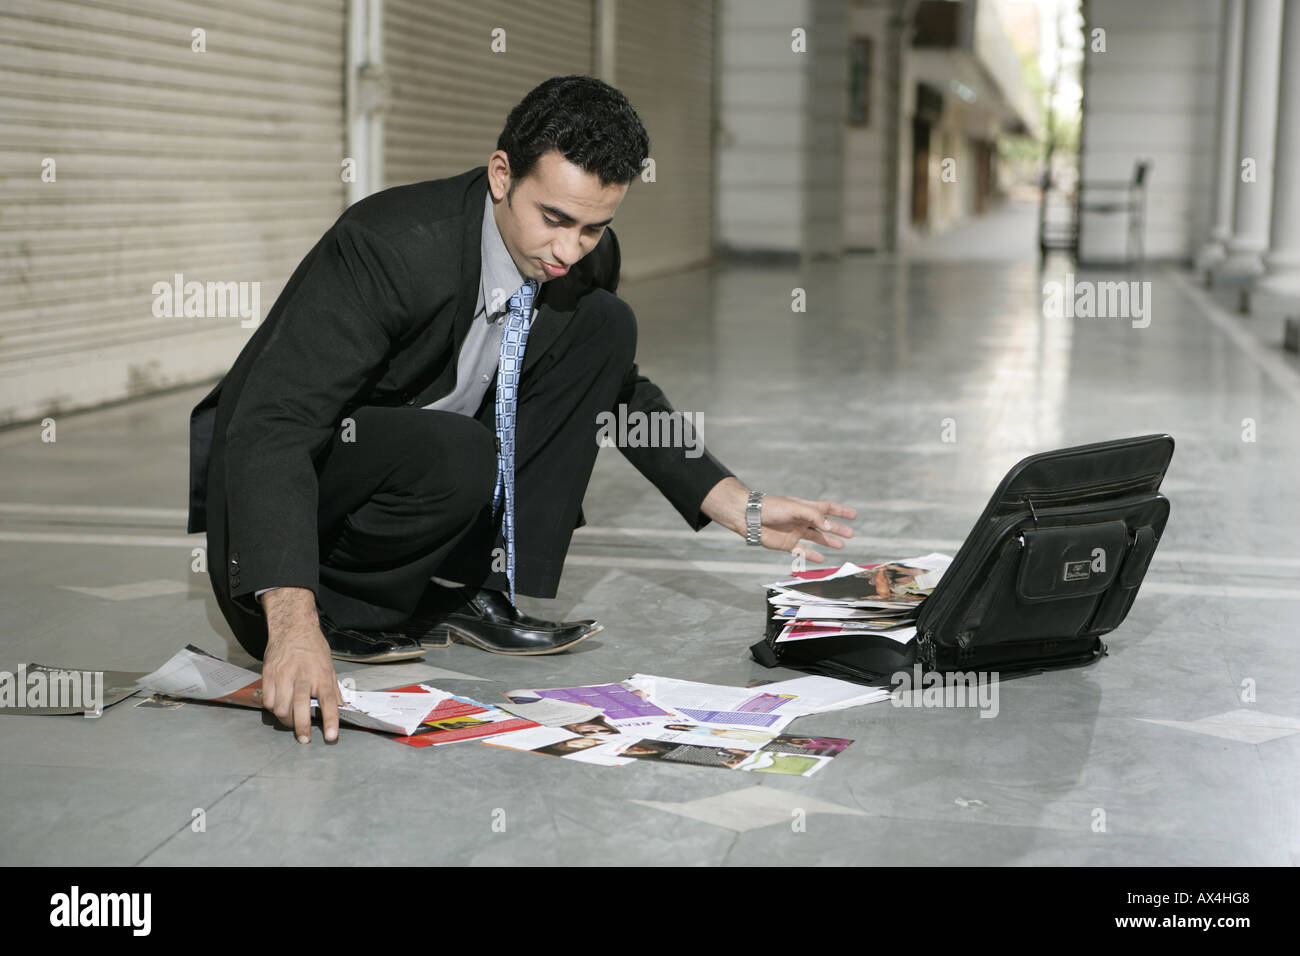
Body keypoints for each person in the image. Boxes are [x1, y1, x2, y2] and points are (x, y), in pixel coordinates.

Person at [186, 75, 857, 746]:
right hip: (283, 530)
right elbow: (272, 428)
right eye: (556, 220)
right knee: (458, 451)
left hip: (420, 481)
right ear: (502, 174)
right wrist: (291, 624)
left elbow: (619, 391)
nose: (569, 250)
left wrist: (739, 505)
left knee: (603, 327)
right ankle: (342, 607)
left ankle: (474, 586)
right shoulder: (390, 246)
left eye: (594, 228)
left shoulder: (580, 257)